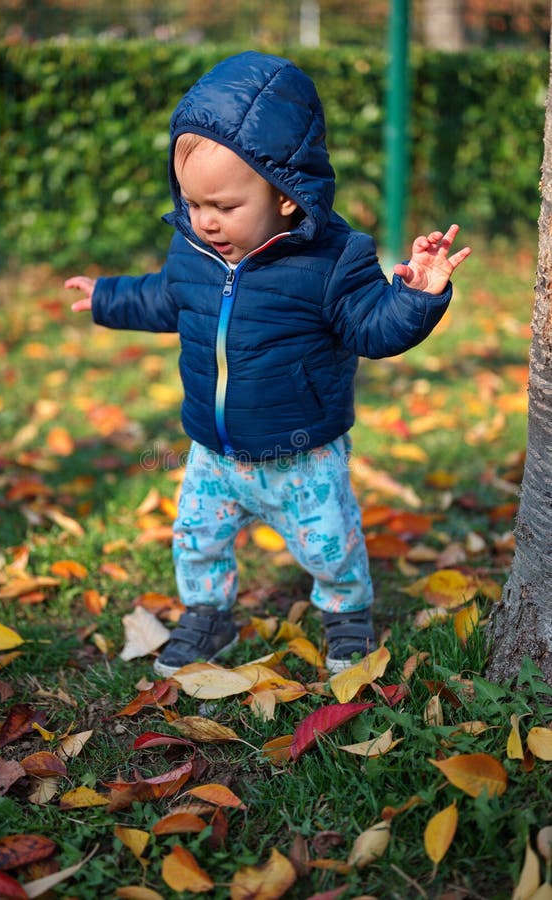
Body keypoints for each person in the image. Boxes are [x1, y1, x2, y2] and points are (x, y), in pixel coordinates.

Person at [66, 51, 471, 676]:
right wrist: (105, 297)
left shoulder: (335, 260)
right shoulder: (194, 250)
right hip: (212, 450)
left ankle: (347, 618)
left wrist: (418, 295)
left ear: (287, 194)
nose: (204, 221)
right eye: (193, 203)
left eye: (224, 207)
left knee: (330, 544)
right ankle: (208, 615)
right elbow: (162, 295)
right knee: (196, 541)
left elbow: (372, 328)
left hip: (302, 450)